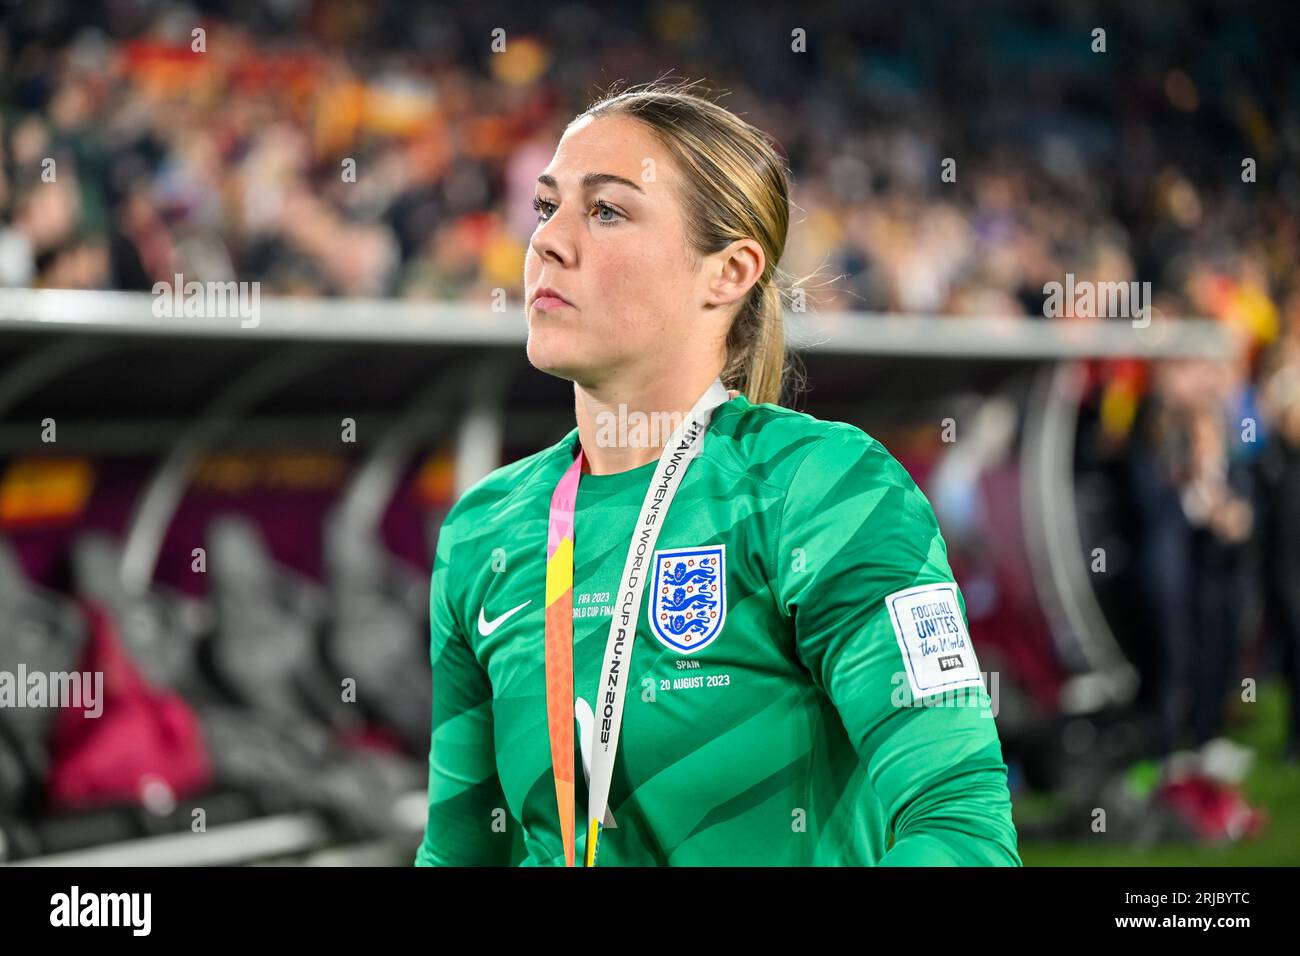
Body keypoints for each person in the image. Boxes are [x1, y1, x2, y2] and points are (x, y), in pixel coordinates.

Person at [415, 81, 1020, 866]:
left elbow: (961, 829)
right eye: (544, 208)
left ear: (728, 272)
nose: (549, 243)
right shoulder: (484, 529)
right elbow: (459, 853)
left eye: (605, 211)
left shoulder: (824, 489)